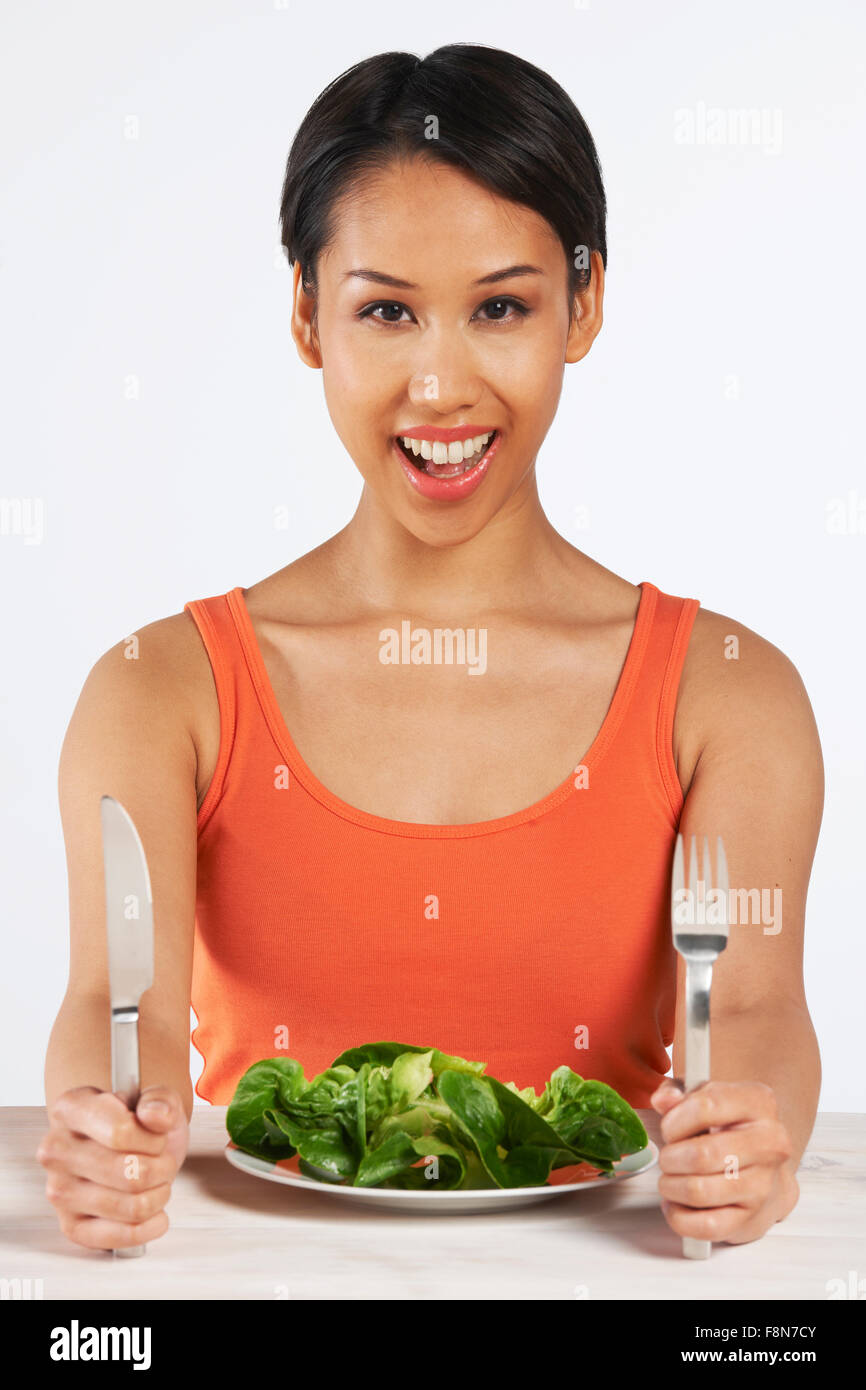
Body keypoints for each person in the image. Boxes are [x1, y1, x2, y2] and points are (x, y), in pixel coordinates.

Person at [39, 44, 822, 1253]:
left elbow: (755, 1003)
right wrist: (107, 1130)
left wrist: (749, 1138)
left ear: (583, 305)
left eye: (499, 307)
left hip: (603, 1273)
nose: (440, 384)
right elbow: (114, 1000)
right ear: (306, 314)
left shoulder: (726, 696)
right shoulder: (162, 690)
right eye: (385, 311)